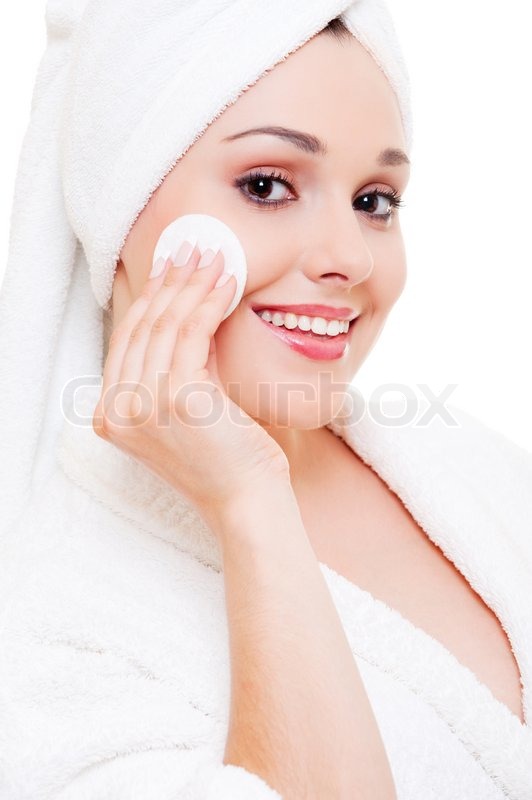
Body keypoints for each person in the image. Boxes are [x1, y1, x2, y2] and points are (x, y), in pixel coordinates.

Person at [1, 2, 531, 799]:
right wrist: (251, 504)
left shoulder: (479, 471)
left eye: (375, 200)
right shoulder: (53, 634)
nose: (350, 257)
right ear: (118, 203)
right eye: (267, 185)